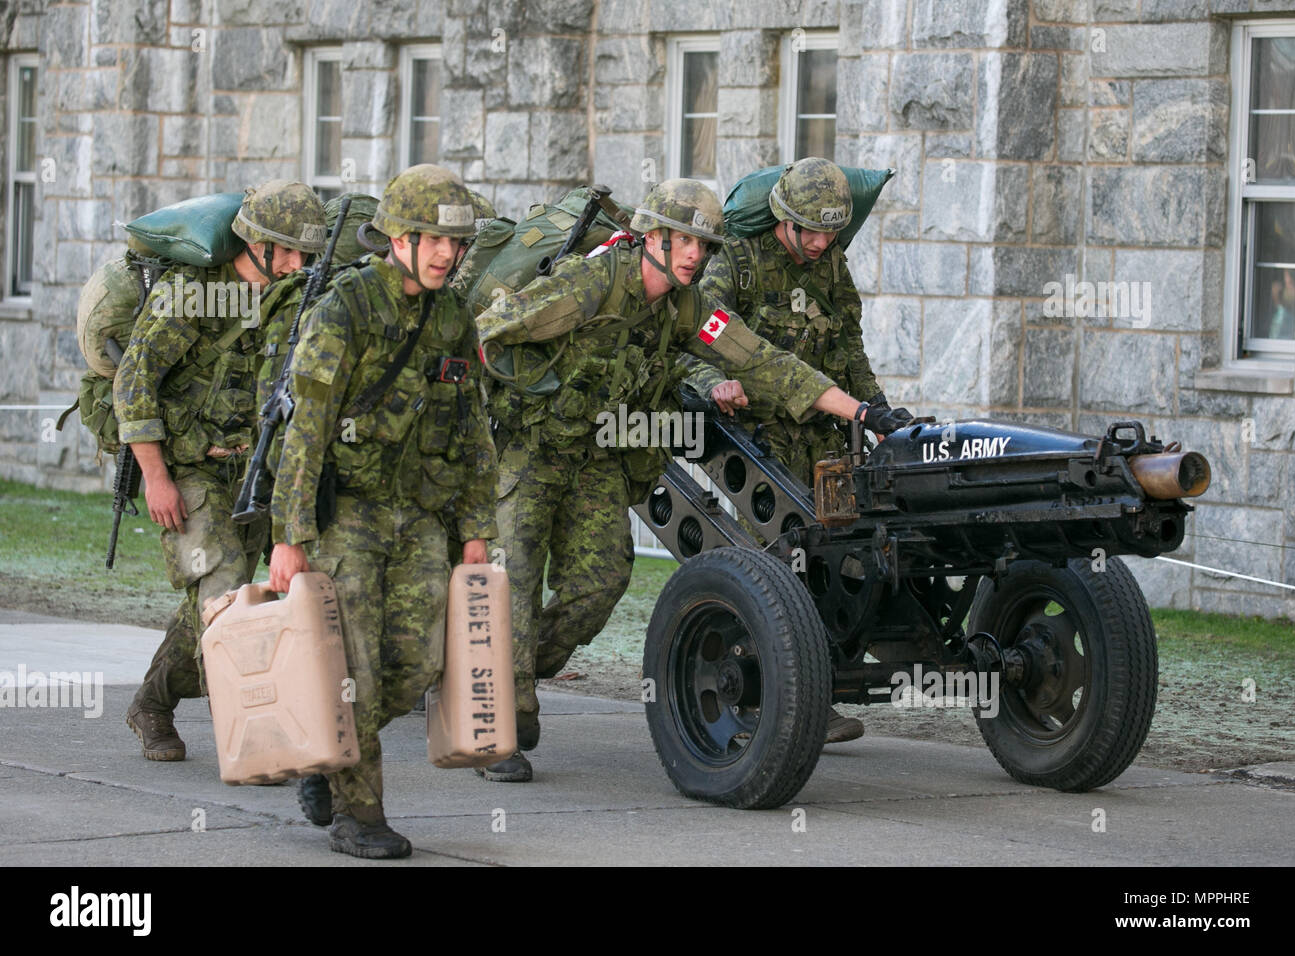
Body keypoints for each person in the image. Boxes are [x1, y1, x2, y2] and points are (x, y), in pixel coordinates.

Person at [476, 178, 906, 782]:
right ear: (651, 236)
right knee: (513, 577)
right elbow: (490, 332)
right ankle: (498, 724)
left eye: (703, 245)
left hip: (599, 453)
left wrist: (862, 412)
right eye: (682, 241)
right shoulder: (589, 285)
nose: (693, 255)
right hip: (532, 448)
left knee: (600, 583)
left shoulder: (689, 308)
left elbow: (762, 361)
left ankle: (510, 669)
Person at [266, 164, 498, 859]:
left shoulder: (453, 315)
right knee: (356, 668)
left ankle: (321, 755)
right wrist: (290, 534)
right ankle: (358, 816)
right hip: (349, 515)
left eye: (456, 244)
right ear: (396, 237)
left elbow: (473, 427)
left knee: (418, 663)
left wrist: (478, 526)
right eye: (432, 240)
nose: (446, 254)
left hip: (420, 512)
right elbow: (307, 423)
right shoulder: (347, 306)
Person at [682, 158, 914, 744]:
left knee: (839, 557)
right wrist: (716, 385)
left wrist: (880, 413)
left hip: (824, 438)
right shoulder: (734, 263)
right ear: (781, 219)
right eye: (807, 230)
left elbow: (849, 349)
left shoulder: (831, 266)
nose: (818, 243)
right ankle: (766, 704)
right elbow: (701, 338)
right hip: (758, 439)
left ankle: (817, 694)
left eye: (829, 232)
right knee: (780, 566)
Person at [118, 180, 328, 761]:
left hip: (253, 470)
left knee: (218, 604)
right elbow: (133, 382)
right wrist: (156, 477)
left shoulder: (296, 299)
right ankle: (255, 734)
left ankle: (152, 703)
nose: (296, 264)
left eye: (305, 254)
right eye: (285, 251)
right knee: (227, 592)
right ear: (253, 241)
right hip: (189, 469)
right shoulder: (195, 293)